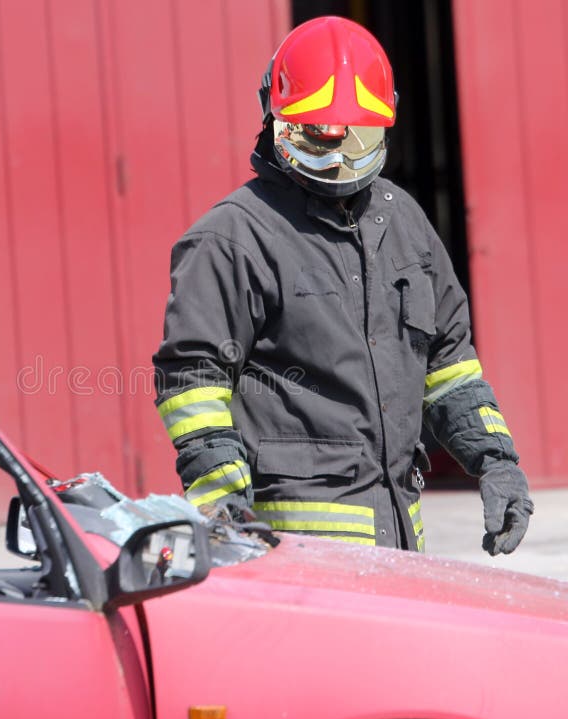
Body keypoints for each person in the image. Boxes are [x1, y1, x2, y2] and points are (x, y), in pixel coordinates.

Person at [152, 16, 533, 554]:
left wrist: (496, 461)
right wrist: (222, 505)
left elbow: (450, 365)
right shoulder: (231, 238)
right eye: (315, 138)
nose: (336, 160)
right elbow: (192, 379)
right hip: (296, 552)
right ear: (276, 118)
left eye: (357, 140)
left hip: (401, 543)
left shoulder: (406, 225)